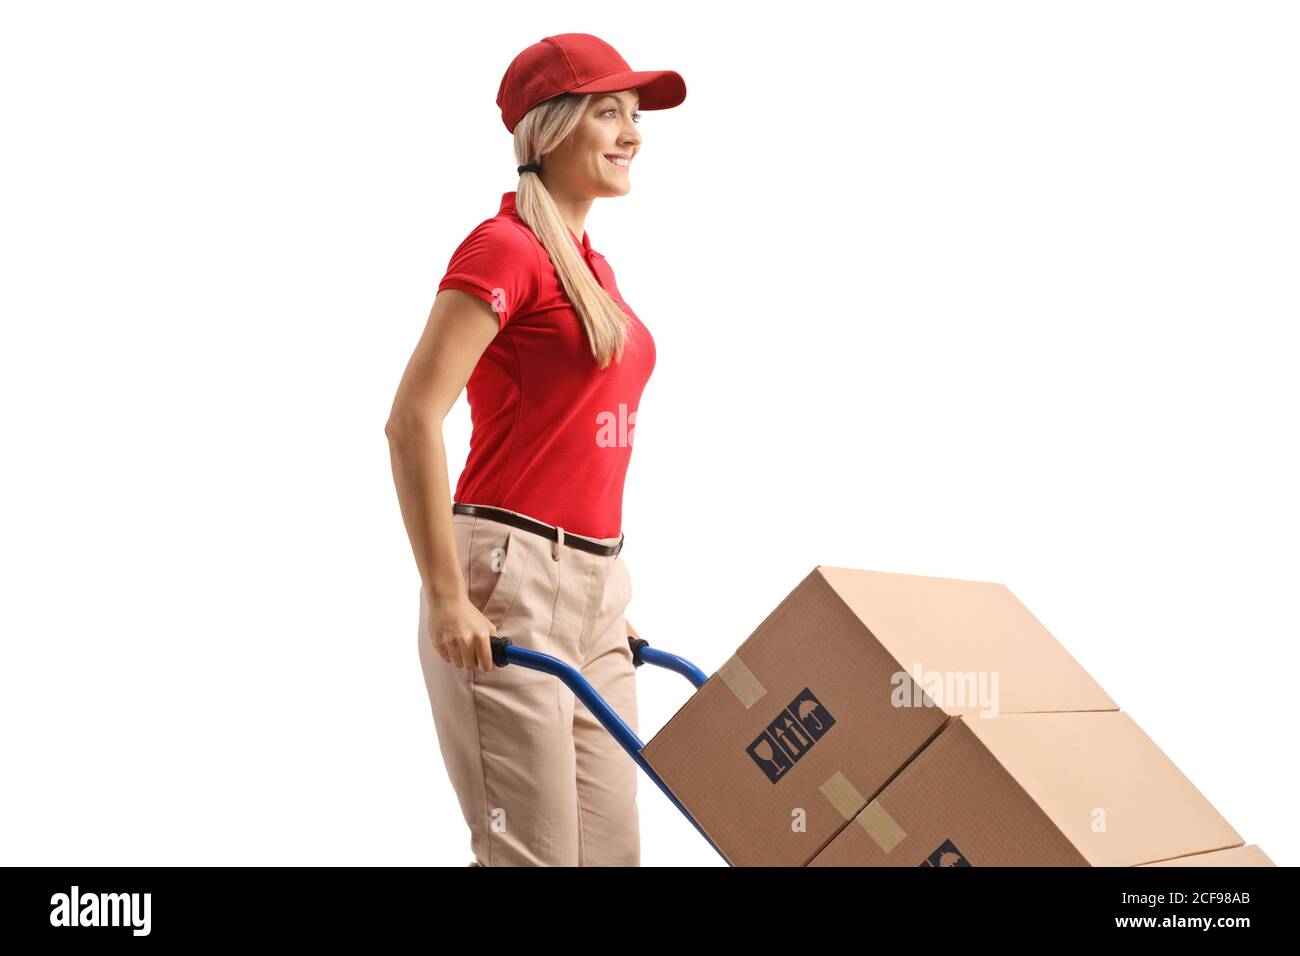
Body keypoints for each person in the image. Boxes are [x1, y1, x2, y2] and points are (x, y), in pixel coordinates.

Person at [385, 33, 686, 867]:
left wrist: (599, 598)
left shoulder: (592, 267)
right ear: (551, 129)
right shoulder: (504, 249)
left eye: (634, 115)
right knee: (533, 857)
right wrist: (447, 594)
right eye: (608, 112)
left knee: (612, 856)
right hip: (506, 581)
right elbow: (412, 418)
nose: (633, 133)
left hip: (596, 590)